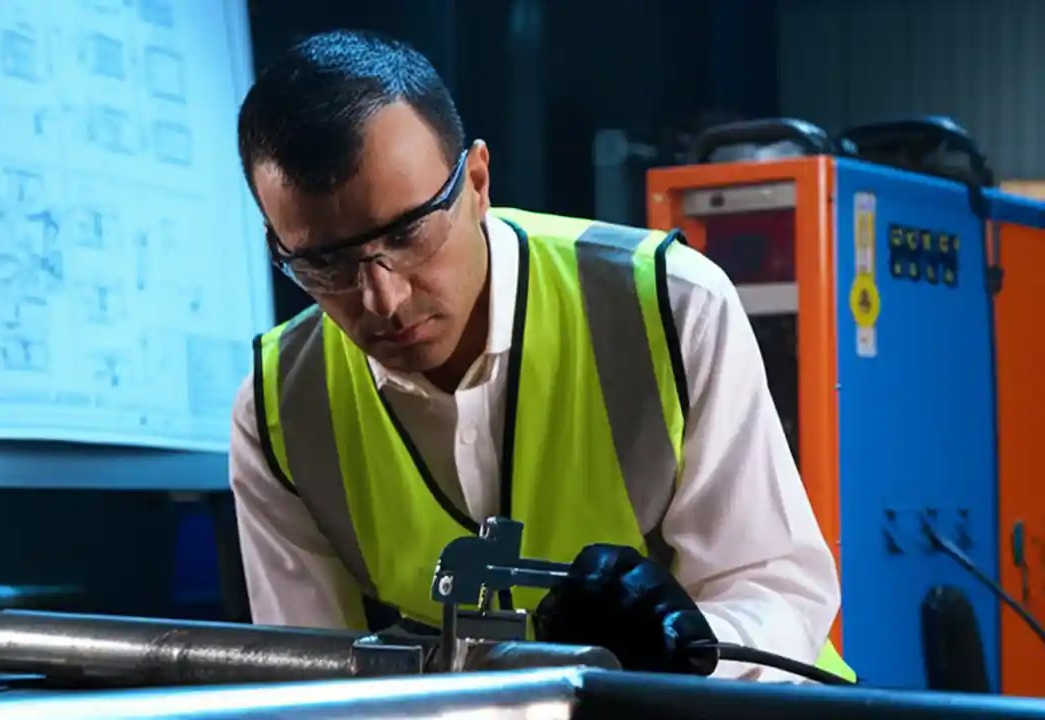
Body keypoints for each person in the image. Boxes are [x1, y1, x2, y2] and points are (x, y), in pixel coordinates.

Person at [227, 29, 854, 683]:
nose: (383, 298)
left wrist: (681, 656)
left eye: (409, 233)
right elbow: (309, 683)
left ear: (477, 181)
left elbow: (774, 591)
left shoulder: (669, 303)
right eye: (325, 264)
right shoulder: (280, 411)